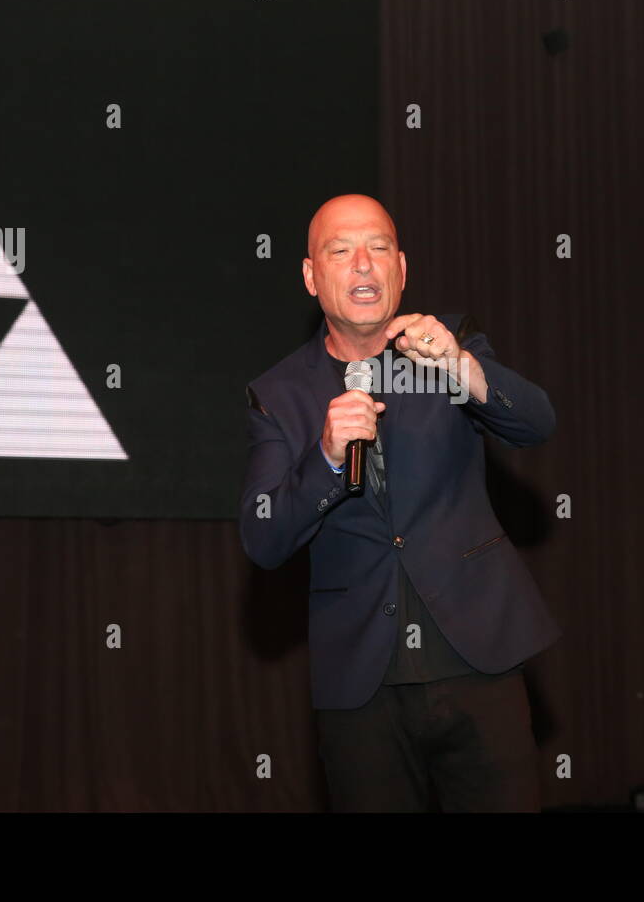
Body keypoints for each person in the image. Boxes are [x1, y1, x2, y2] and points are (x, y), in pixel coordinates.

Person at [239, 194, 561, 811]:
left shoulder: (442, 346)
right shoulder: (278, 394)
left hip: (478, 656)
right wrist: (327, 457)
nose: (363, 264)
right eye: (341, 251)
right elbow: (263, 539)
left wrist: (461, 365)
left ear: (401, 268)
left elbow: (538, 423)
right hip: (363, 682)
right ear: (311, 276)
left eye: (379, 248)